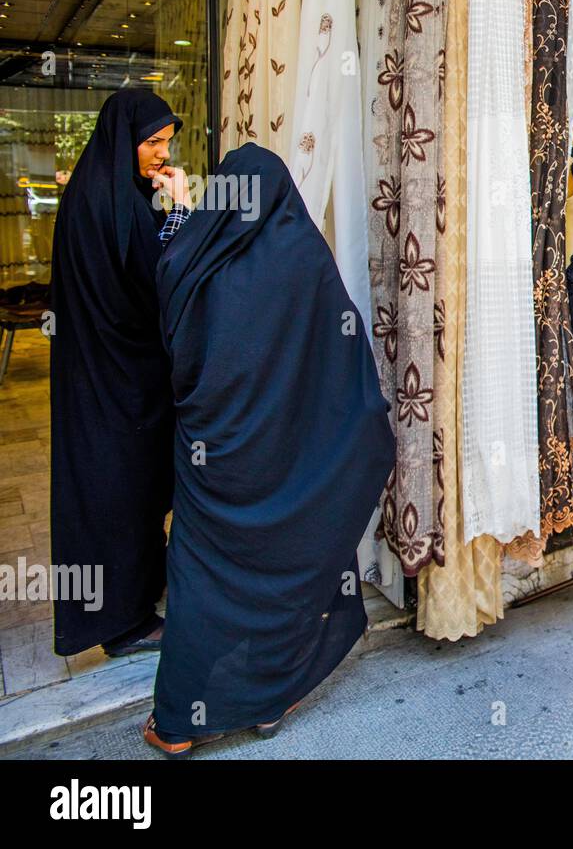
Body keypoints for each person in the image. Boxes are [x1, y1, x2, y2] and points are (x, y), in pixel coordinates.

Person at [143, 144, 395, 756]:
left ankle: (179, 724)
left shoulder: (195, 258)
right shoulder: (304, 255)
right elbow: (344, 356)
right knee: (288, 567)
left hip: (215, 457)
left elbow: (170, 295)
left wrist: (179, 212)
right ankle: (273, 695)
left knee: (203, 577)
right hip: (285, 457)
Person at [50, 89, 190, 659]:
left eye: (166, 142)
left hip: (103, 375)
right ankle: (122, 624)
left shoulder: (102, 192)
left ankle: (125, 607)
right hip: (115, 382)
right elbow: (161, 277)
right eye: (151, 141)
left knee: (119, 490)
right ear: (123, 138)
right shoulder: (110, 203)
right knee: (120, 493)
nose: (160, 153)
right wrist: (179, 211)